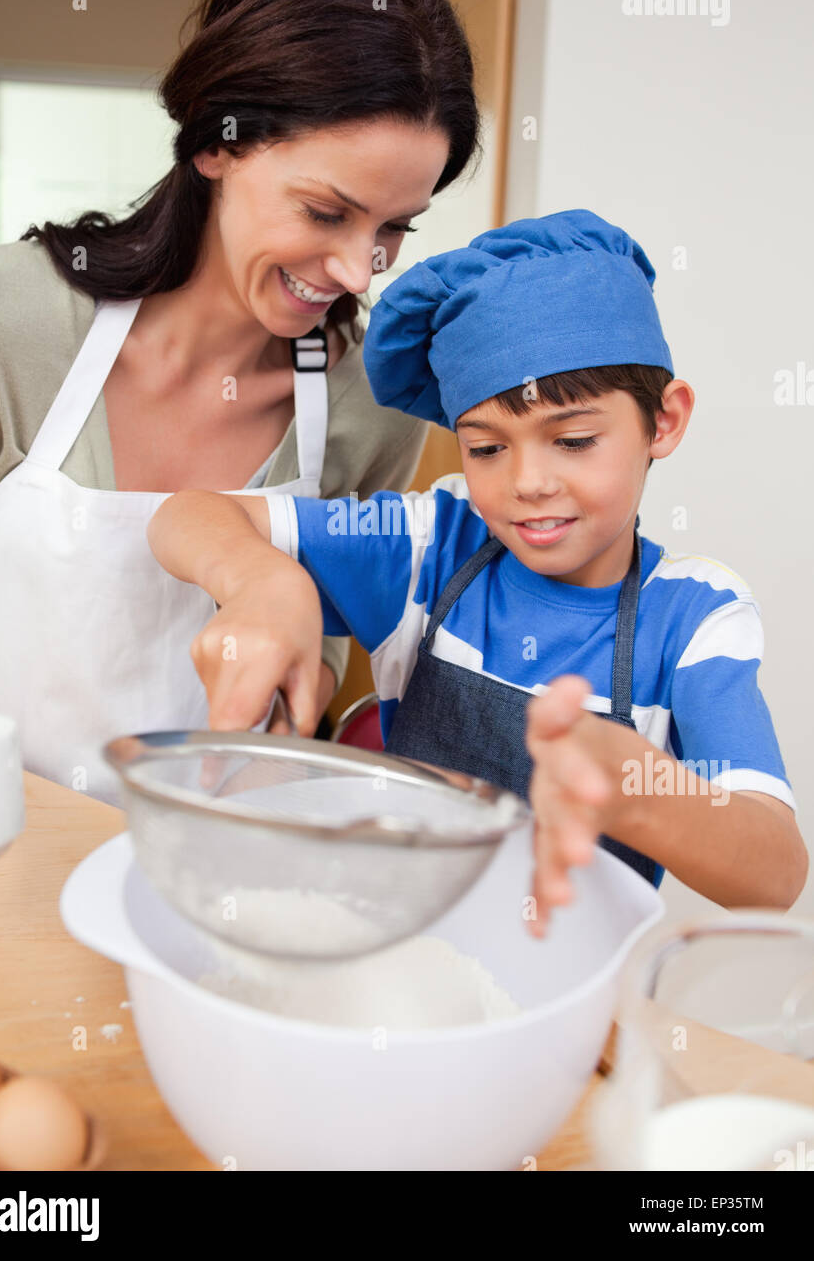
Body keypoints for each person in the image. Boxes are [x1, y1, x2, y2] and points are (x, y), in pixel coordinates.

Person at [147, 210, 808, 933]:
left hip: (569, 994)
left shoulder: (694, 616)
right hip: (395, 946)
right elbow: (189, 514)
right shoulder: (431, 547)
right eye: (487, 449)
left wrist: (632, 782)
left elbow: (773, 875)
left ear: (665, 421)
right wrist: (262, 583)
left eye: (575, 440)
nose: (527, 482)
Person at [0, 0, 482, 802]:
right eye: (324, 211)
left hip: (200, 890)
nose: (358, 271)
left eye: (392, 228)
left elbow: (314, 679)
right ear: (216, 145)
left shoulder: (373, 406)